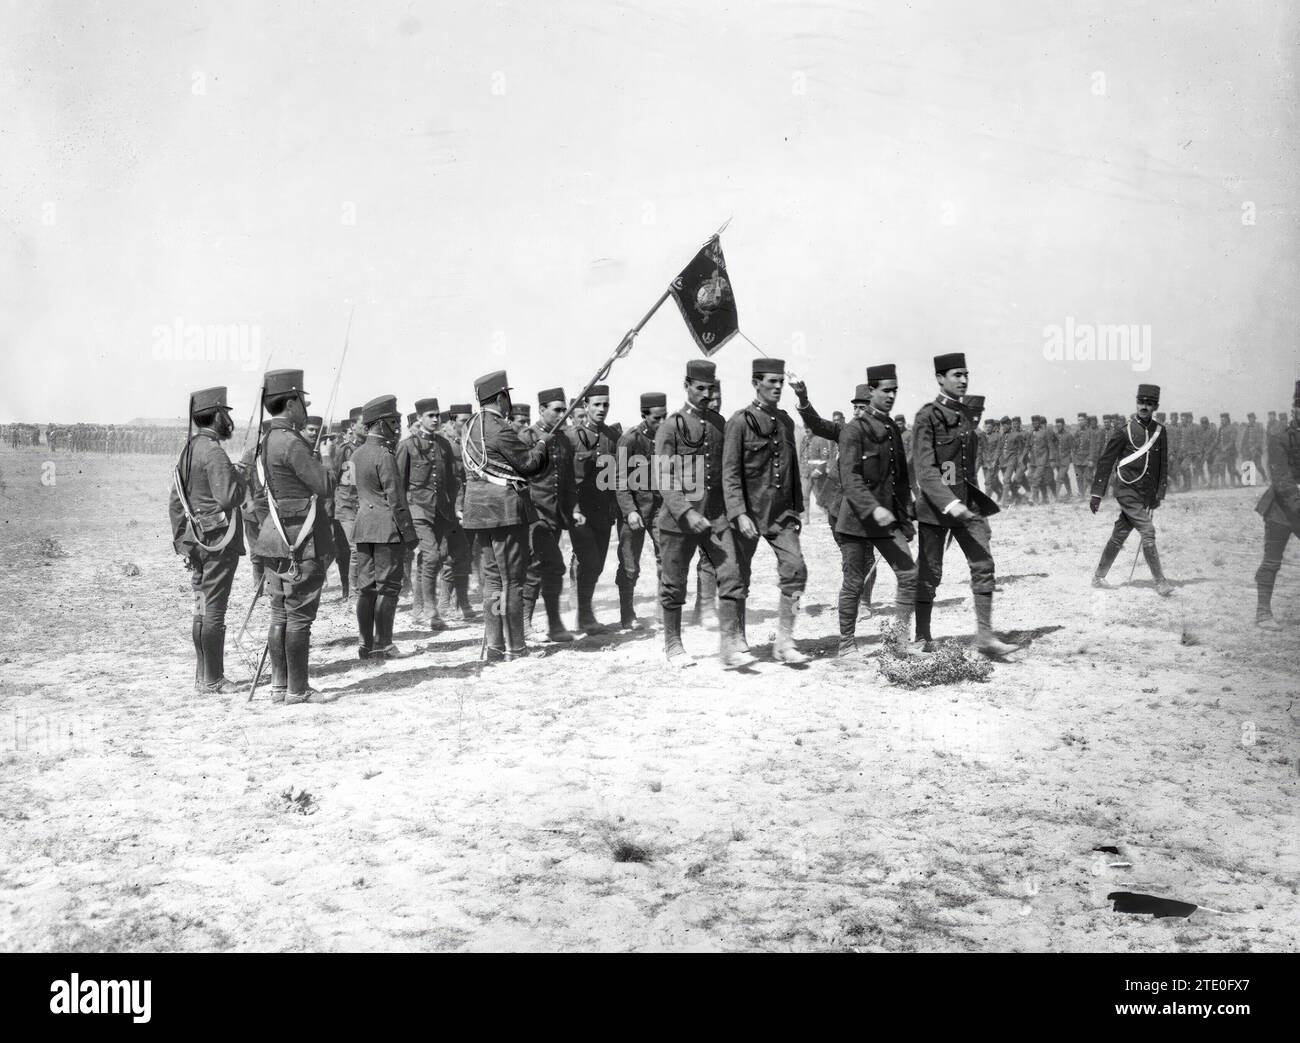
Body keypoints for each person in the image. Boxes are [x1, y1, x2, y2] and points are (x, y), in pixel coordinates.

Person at [912, 352, 1018, 656]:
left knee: (983, 563)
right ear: (940, 379)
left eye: (965, 374)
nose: (963, 380)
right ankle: (921, 636)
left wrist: (971, 507)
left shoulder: (965, 420)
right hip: (936, 509)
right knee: (930, 573)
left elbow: (967, 470)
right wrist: (949, 503)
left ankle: (984, 636)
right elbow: (926, 471)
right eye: (956, 375)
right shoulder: (927, 416)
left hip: (967, 506)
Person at [656, 359, 750, 667]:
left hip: (716, 516)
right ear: (686, 387)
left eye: (710, 388)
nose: (705, 394)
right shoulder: (671, 426)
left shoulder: (719, 423)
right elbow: (664, 476)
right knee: (674, 584)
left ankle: (729, 642)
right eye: (699, 388)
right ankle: (673, 645)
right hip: (678, 521)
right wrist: (685, 512)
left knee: (732, 574)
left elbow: (727, 470)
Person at [250, 369, 335, 703]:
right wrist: (323, 457)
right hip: (300, 537)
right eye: (303, 401)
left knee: (280, 612)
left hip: (275, 535)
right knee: (299, 615)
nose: (305, 407)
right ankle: (298, 690)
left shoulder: (269, 439)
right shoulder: (292, 442)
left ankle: (279, 687)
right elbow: (324, 486)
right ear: (291, 403)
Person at [461, 371, 554, 660]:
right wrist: (543, 444)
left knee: (492, 581)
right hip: (504, 509)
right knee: (513, 581)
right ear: (502, 397)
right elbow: (528, 464)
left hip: (478, 509)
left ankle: (495, 646)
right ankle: (516, 647)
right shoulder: (499, 428)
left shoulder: (470, 425)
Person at [722, 357, 807, 663]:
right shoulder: (739, 421)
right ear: (755, 383)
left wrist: (796, 509)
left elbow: (792, 468)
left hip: (780, 515)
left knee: (796, 571)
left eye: (780, 382)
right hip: (748, 514)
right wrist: (738, 512)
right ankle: (734, 641)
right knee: (736, 577)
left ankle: (785, 640)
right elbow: (730, 473)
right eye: (771, 382)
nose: (777, 387)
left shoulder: (784, 420)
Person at [835, 368, 917, 657]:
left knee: (909, 574)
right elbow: (851, 479)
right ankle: (846, 646)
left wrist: (904, 519)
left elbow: (901, 481)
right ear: (871, 392)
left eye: (895, 390)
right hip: (856, 522)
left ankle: (901, 643)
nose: (892, 396)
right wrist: (874, 509)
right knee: (854, 582)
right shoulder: (853, 430)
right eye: (886, 390)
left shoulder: (893, 429)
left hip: (887, 521)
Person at [168, 387, 245, 693]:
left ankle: (204, 676)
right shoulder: (213, 452)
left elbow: (176, 503)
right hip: (217, 543)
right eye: (225, 412)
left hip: (196, 543)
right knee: (213, 609)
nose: (228, 419)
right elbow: (228, 498)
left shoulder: (187, 451)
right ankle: (213, 679)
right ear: (216, 415)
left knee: (201, 607)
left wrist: (183, 544)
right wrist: (241, 477)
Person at [1089, 384, 1172, 596]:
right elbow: (1106, 462)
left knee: (1120, 534)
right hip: (1126, 490)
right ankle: (1160, 581)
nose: (1144, 406)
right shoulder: (1124, 431)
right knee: (1148, 530)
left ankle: (1098, 576)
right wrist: (1097, 493)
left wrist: (1158, 494)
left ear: (1155, 406)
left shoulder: (1160, 432)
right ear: (1137, 403)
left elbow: (1163, 466)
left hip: (1145, 494)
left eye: (1149, 403)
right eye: (1141, 402)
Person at [395, 396, 460, 634]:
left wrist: (453, 507)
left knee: (432, 557)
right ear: (420, 418)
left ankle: (418, 609)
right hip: (417, 510)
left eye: (437, 415)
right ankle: (432, 611)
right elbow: (399, 486)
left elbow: (452, 481)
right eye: (430, 415)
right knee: (431, 555)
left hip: (440, 510)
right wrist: (402, 519)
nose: (435, 419)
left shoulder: (443, 444)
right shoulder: (407, 446)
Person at [521, 388, 580, 642]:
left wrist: (573, 509)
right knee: (542, 568)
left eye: (564, 409)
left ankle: (554, 625)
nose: (562, 414)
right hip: (534, 515)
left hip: (555, 516)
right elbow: (519, 479)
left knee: (546, 569)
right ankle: (524, 625)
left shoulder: (563, 440)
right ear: (541, 410)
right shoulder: (527, 437)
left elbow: (567, 481)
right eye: (557, 409)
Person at [565, 385, 619, 634]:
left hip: (603, 511)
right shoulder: (571, 437)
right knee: (589, 560)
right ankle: (584, 616)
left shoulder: (612, 436)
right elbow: (565, 479)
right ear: (585, 406)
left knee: (596, 566)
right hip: (580, 512)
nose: (602, 409)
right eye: (597, 404)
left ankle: (585, 614)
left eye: (605, 404)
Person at [614, 393, 667, 630]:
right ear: (644, 415)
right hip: (634, 510)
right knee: (629, 564)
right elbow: (619, 479)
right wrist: (630, 510)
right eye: (657, 418)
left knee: (666, 559)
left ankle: (664, 612)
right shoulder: (629, 439)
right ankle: (627, 614)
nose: (662, 421)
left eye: (665, 416)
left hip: (660, 509)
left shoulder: (668, 437)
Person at [1253, 382, 1300, 630]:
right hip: (1281, 509)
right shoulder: (1279, 437)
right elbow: (1282, 479)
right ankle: (1262, 613)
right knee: (1272, 561)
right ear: (1294, 409)